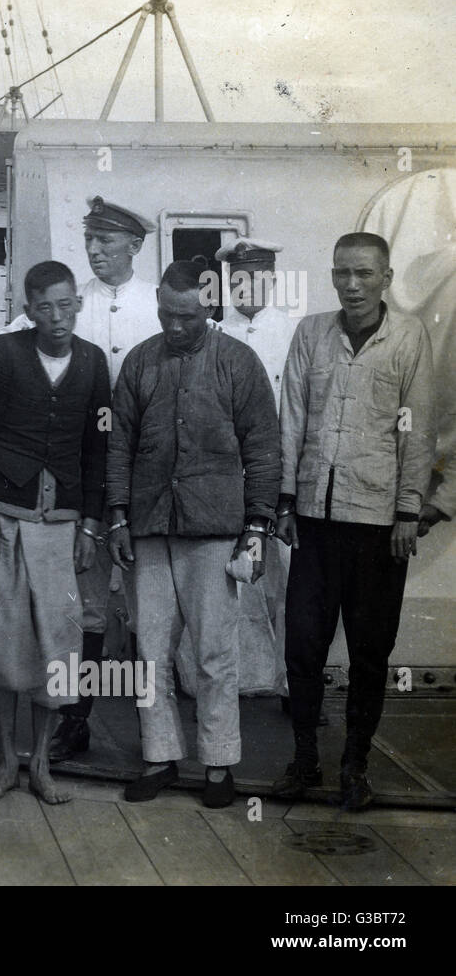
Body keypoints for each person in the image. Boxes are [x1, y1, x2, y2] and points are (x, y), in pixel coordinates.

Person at [106, 259, 279, 808]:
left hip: (214, 532)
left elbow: (264, 450)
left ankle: (219, 763)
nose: (174, 326)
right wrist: (117, 517)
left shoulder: (238, 363)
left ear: (208, 306)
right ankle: (160, 757)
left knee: (212, 653)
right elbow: (120, 446)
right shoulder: (138, 363)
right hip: (150, 529)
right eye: (164, 314)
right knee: (151, 652)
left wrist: (256, 529)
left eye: (185, 316)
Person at [274, 233, 435, 810]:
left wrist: (409, 508)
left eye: (365, 274)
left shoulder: (409, 337)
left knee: (370, 653)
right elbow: (291, 416)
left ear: (386, 278)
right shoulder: (311, 333)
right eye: (342, 273)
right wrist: (286, 502)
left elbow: (416, 428)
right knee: (303, 648)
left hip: (376, 524)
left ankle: (355, 767)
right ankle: (305, 760)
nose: (352, 285)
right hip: (315, 521)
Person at [0, 261, 110, 806]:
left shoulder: (94, 362)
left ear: (77, 303)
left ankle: (41, 766)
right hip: (5, 518)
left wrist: (91, 525)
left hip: (64, 525)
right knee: (7, 649)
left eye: (65, 304)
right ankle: (6, 763)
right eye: (44, 307)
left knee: (60, 652)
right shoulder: (2, 355)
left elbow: (99, 449)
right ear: (27, 310)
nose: (57, 317)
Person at [38, 196, 162, 764]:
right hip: (85, 477)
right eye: (89, 240)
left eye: (107, 242)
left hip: (149, 481)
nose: (94, 251)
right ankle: (74, 721)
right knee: (84, 604)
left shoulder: (160, 307)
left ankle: (158, 740)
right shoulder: (71, 306)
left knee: (151, 609)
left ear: (135, 246)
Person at [175, 238, 297, 699]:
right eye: (239, 279)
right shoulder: (215, 337)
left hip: (276, 472)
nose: (249, 287)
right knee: (225, 581)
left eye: (258, 277)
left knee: (283, 581)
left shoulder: (293, 332)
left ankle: (287, 682)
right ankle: (228, 679)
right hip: (228, 475)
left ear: (271, 279)